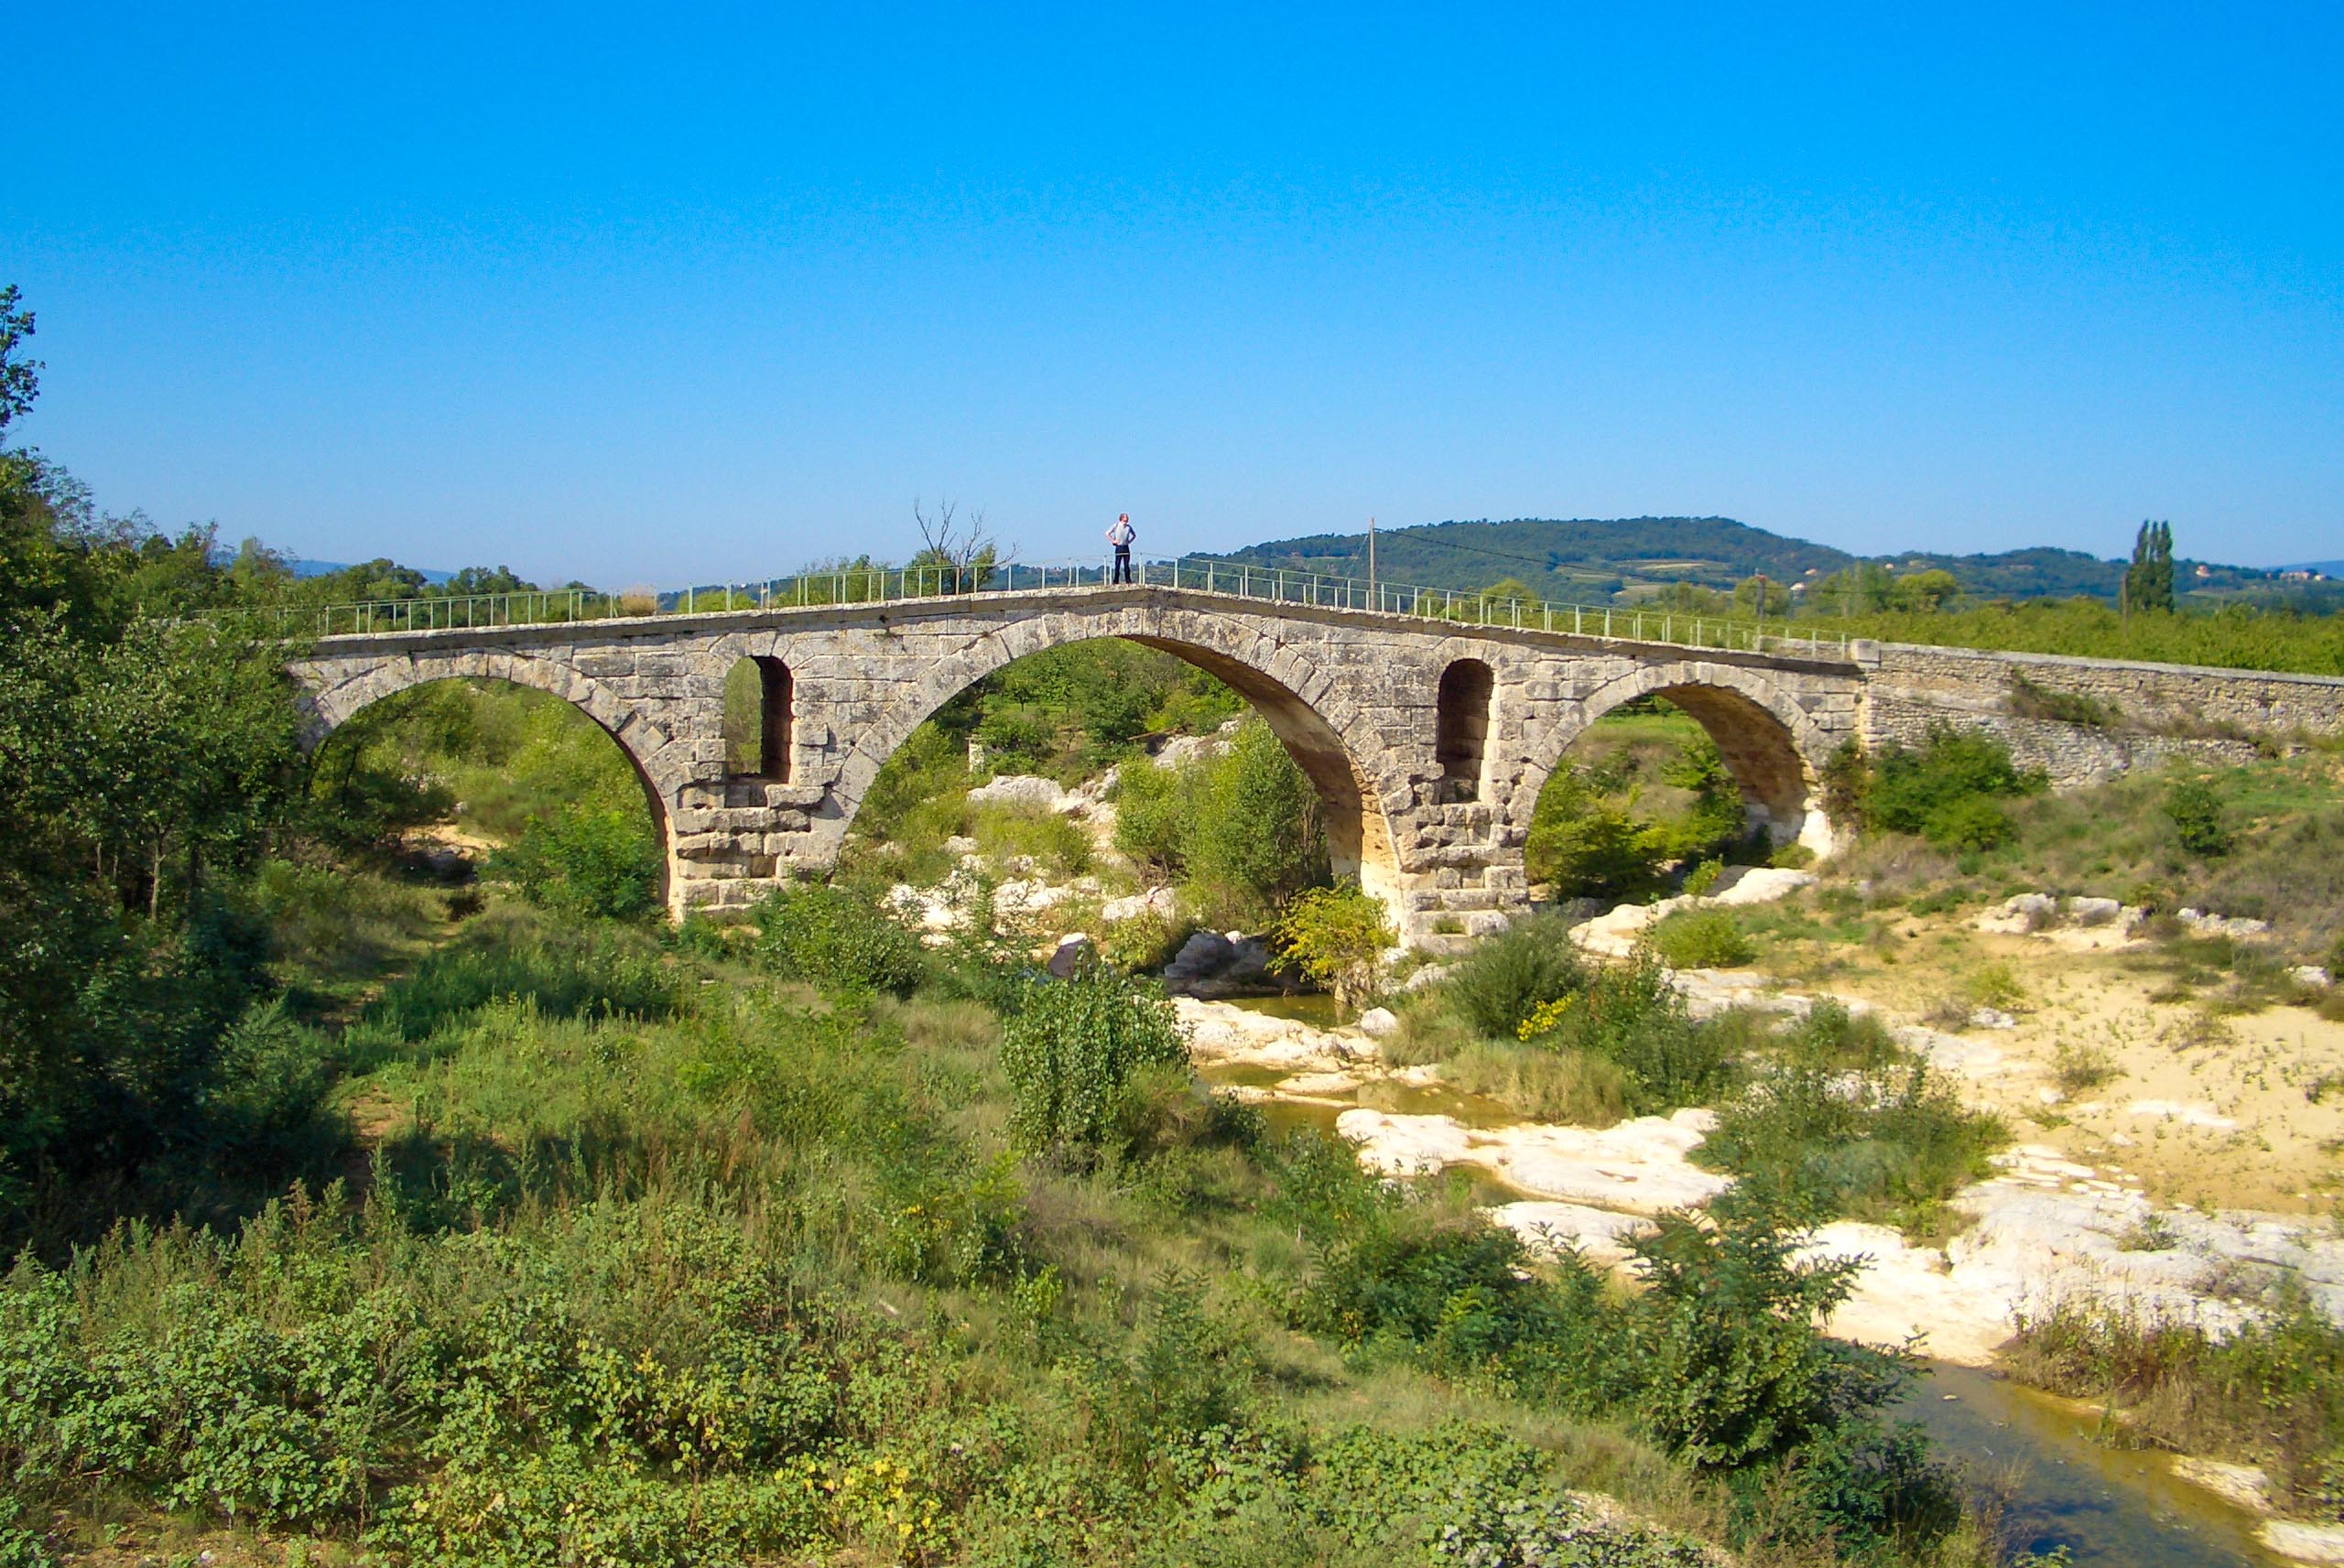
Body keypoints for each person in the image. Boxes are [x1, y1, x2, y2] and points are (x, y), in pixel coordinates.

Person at [1106, 513, 1137, 584]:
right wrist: (1113, 540)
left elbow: (1134, 535)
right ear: (1122, 518)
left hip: (1126, 547)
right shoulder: (1116, 525)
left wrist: (1129, 541)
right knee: (1117, 564)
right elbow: (1107, 533)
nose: (1127, 519)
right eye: (1126, 518)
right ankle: (1116, 580)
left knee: (1126, 565)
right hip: (1119, 547)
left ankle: (1128, 580)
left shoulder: (1128, 527)